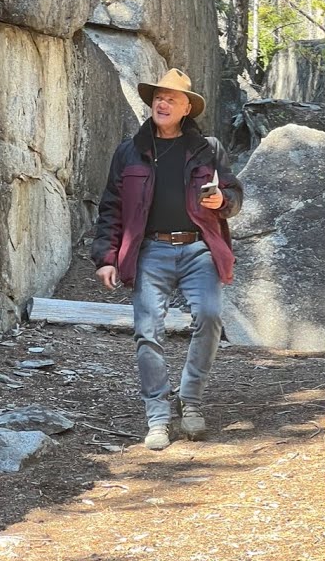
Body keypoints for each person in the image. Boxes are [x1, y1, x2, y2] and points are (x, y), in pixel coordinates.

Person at [91, 68, 244, 450]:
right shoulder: (130, 150)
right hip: (150, 252)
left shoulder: (208, 149)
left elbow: (233, 194)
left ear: (186, 107)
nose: (162, 103)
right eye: (158, 96)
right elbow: (111, 207)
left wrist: (221, 201)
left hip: (198, 249)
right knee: (147, 332)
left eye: (171, 99)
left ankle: (189, 399)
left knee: (209, 316)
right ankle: (157, 416)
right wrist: (106, 257)